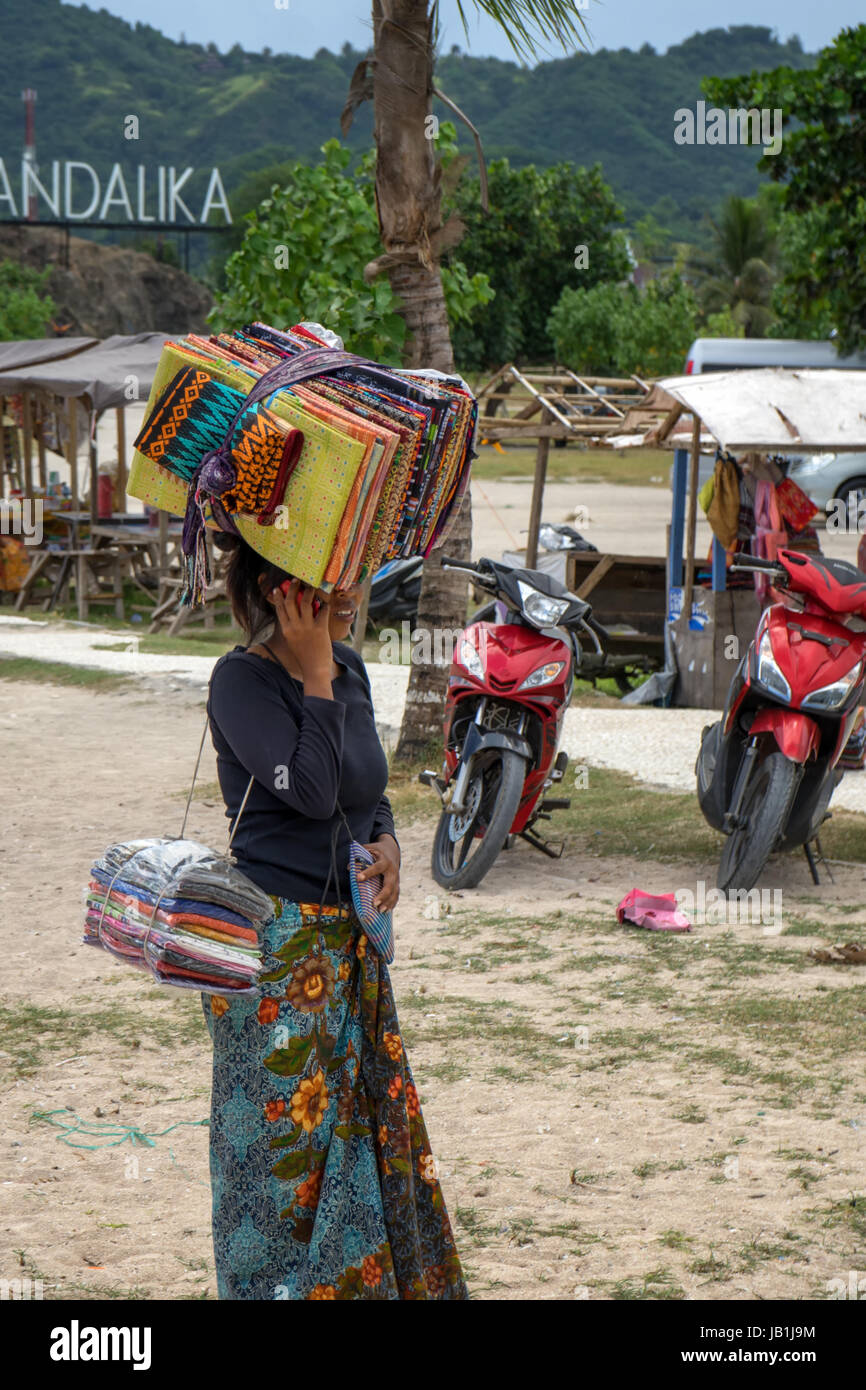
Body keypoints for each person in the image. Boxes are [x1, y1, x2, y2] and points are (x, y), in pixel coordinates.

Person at [203, 533, 467, 1301]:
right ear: (283, 595)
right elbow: (311, 792)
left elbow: (362, 788)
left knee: (355, 1132)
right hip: (274, 952)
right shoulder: (240, 682)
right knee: (280, 1149)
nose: (352, 597)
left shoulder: (348, 669)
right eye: (331, 586)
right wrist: (316, 669)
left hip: (347, 944)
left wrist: (386, 840)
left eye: (354, 581)